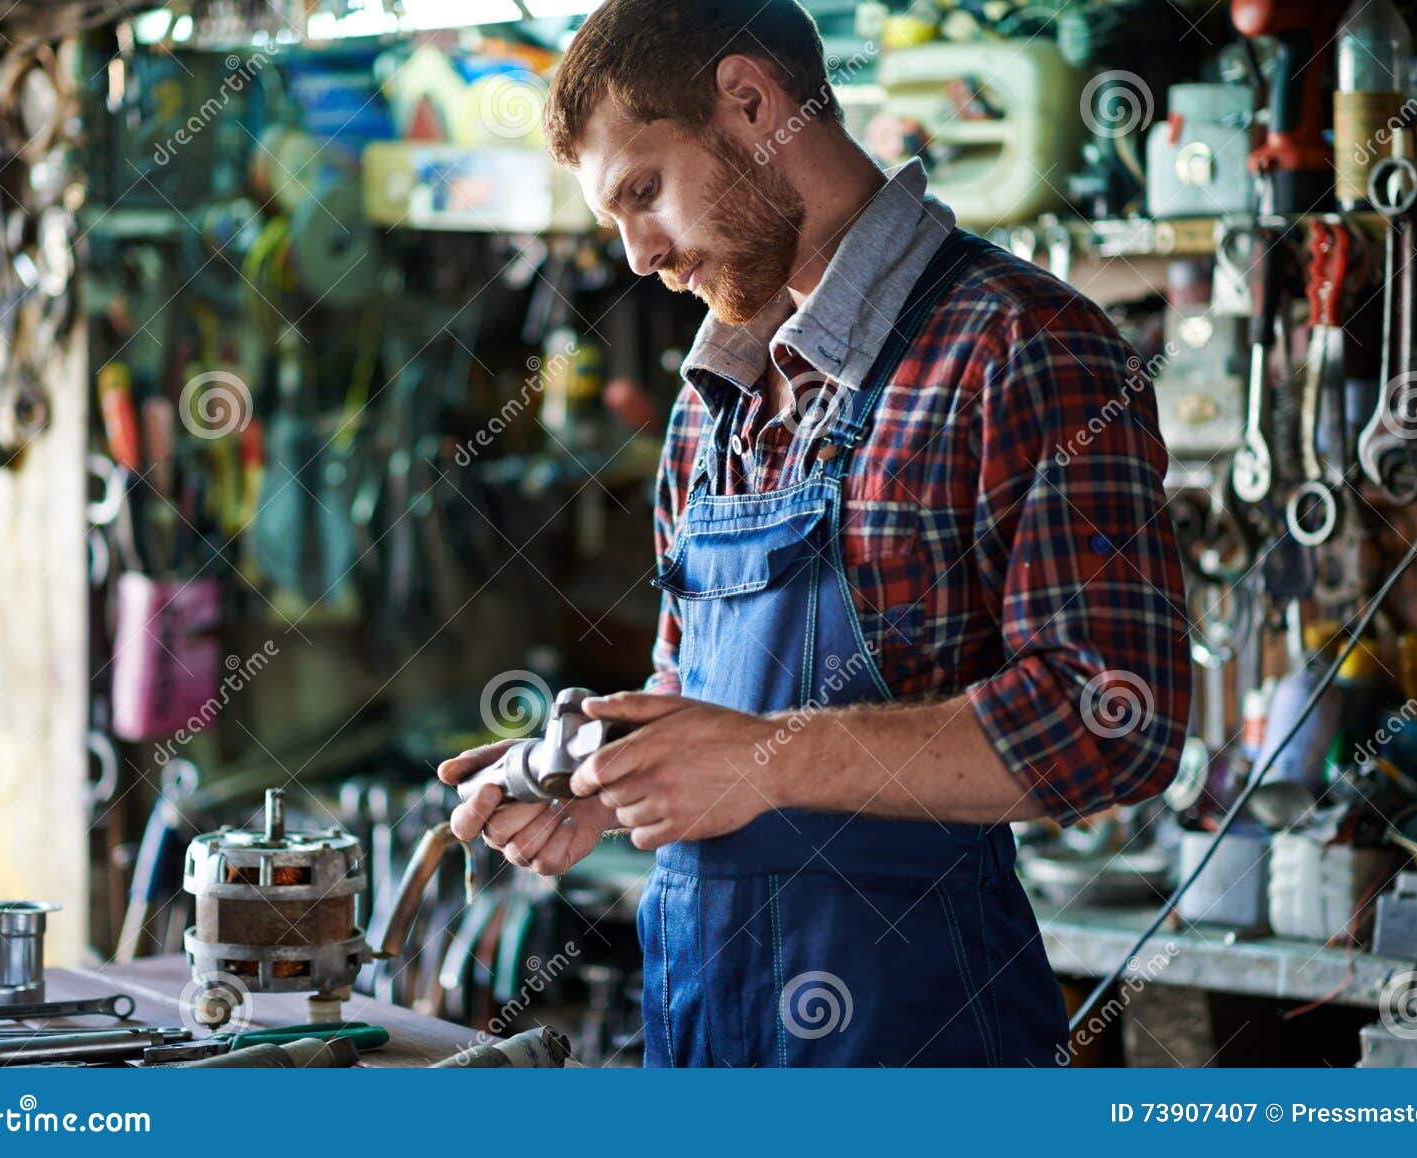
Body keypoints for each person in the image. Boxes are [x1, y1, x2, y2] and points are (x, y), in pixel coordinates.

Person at [439, 0, 1191, 1067]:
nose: (639, 255)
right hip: (703, 1045)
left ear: (750, 102)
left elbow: (1116, 720)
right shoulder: (715, 399)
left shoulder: (1020, 344)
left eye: (643, 193)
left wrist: (764, 762)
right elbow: (700, 719)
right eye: (613, 221)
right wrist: (599, 786)